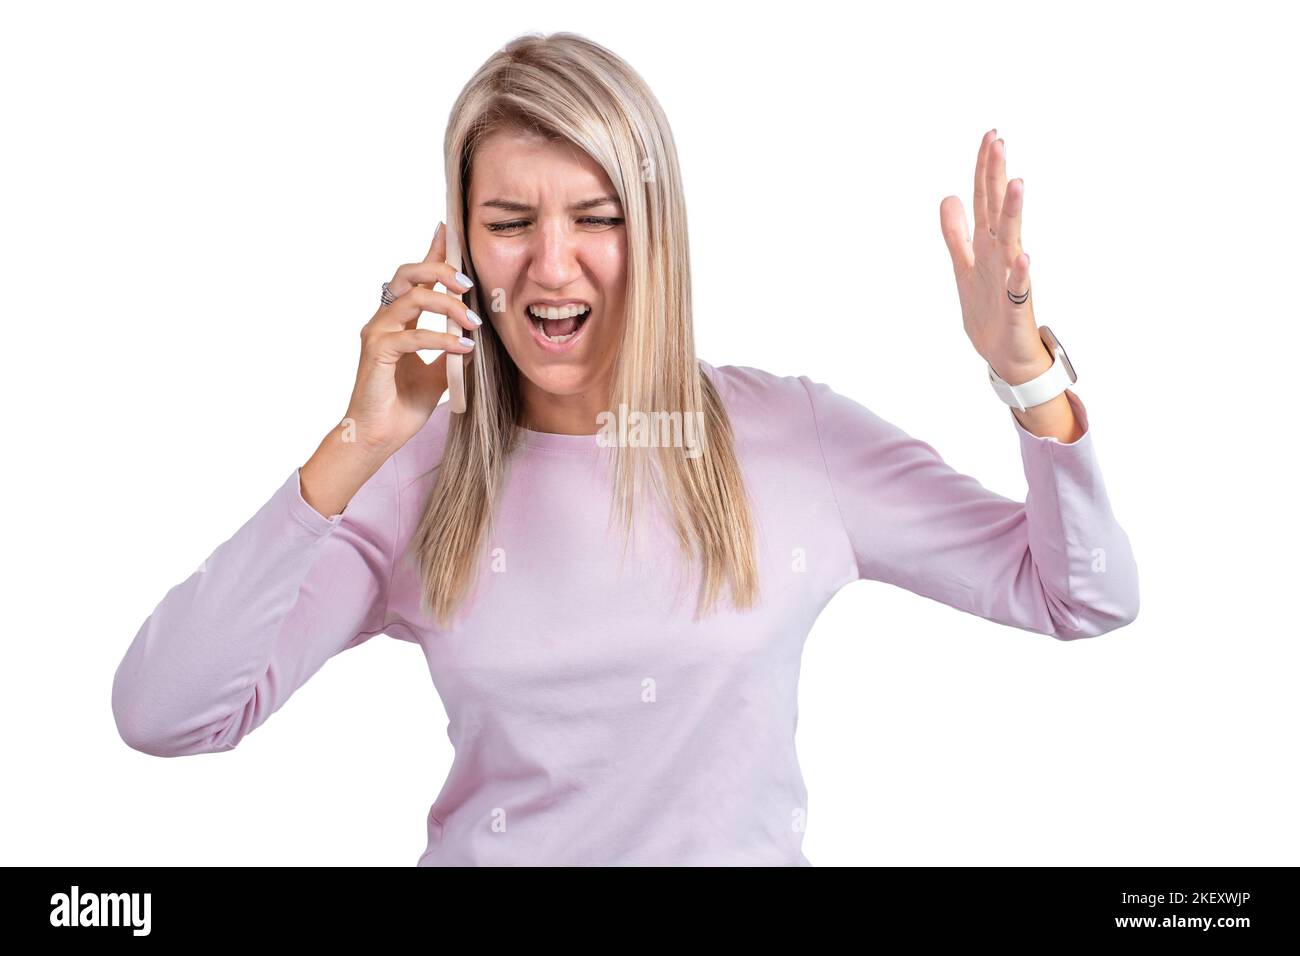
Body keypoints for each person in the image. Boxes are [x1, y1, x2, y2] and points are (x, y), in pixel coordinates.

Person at [111, 31, 1139, 866]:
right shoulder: (411, 478)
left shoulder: (791, 439)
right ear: (461, 247)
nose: (552, 266)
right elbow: (169, 712)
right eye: (508, 221)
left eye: (595, 217)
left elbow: (1079, 593)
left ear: (654, 229)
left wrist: (1027, 373)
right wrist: (359, 439)